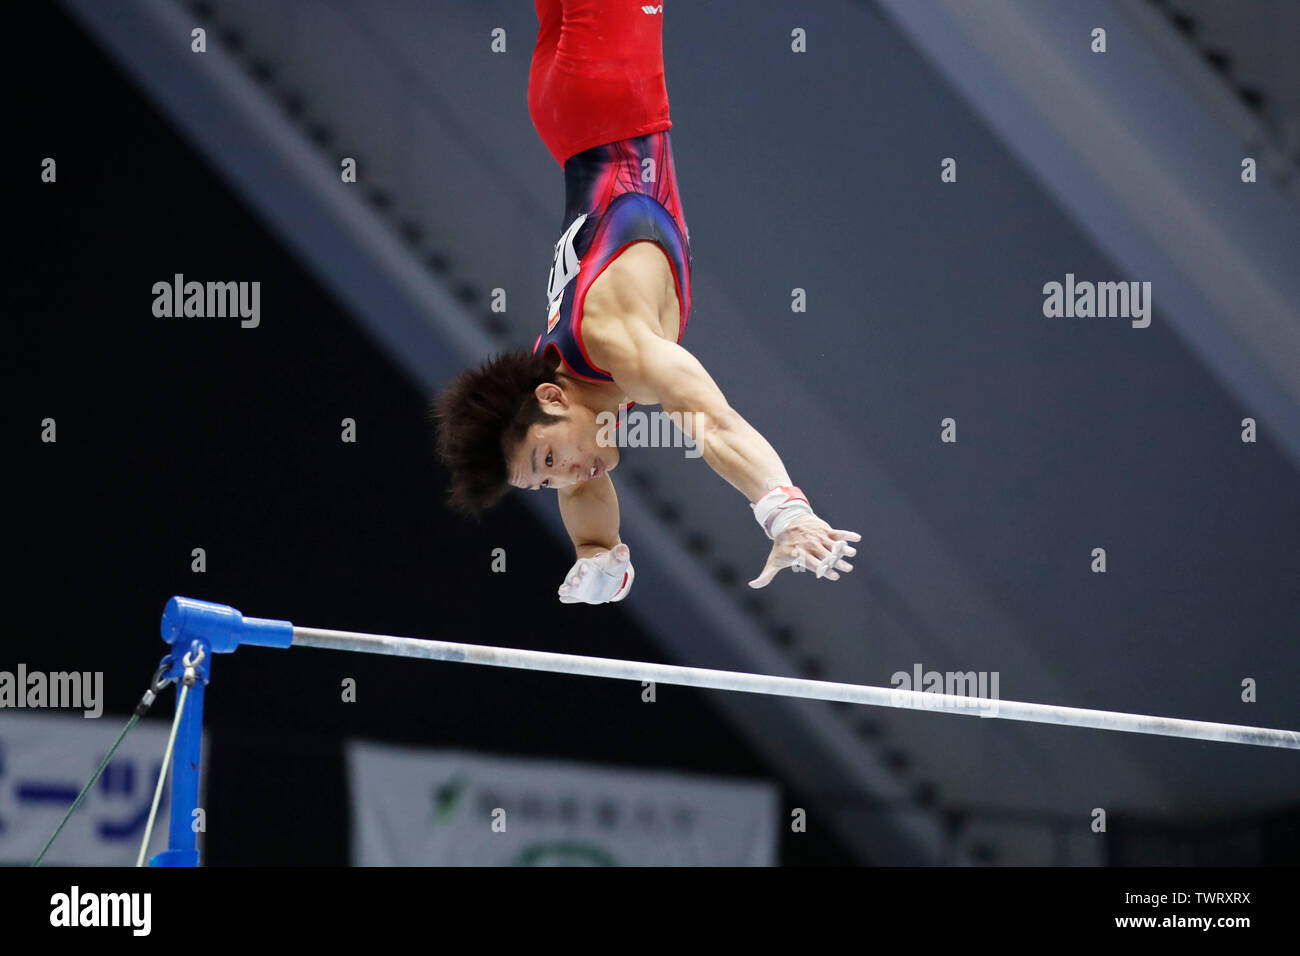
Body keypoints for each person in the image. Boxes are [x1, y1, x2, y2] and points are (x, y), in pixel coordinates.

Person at [433, 0, 859, 604]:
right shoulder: (570, 396)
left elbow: (714, 422)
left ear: (550, 398)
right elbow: (582, 487)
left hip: (604, 93)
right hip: (568, 117)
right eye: (544, 477)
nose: (564, 477)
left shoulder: (618, 346)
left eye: (549, 459)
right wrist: (596, 554)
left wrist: (785, 514)